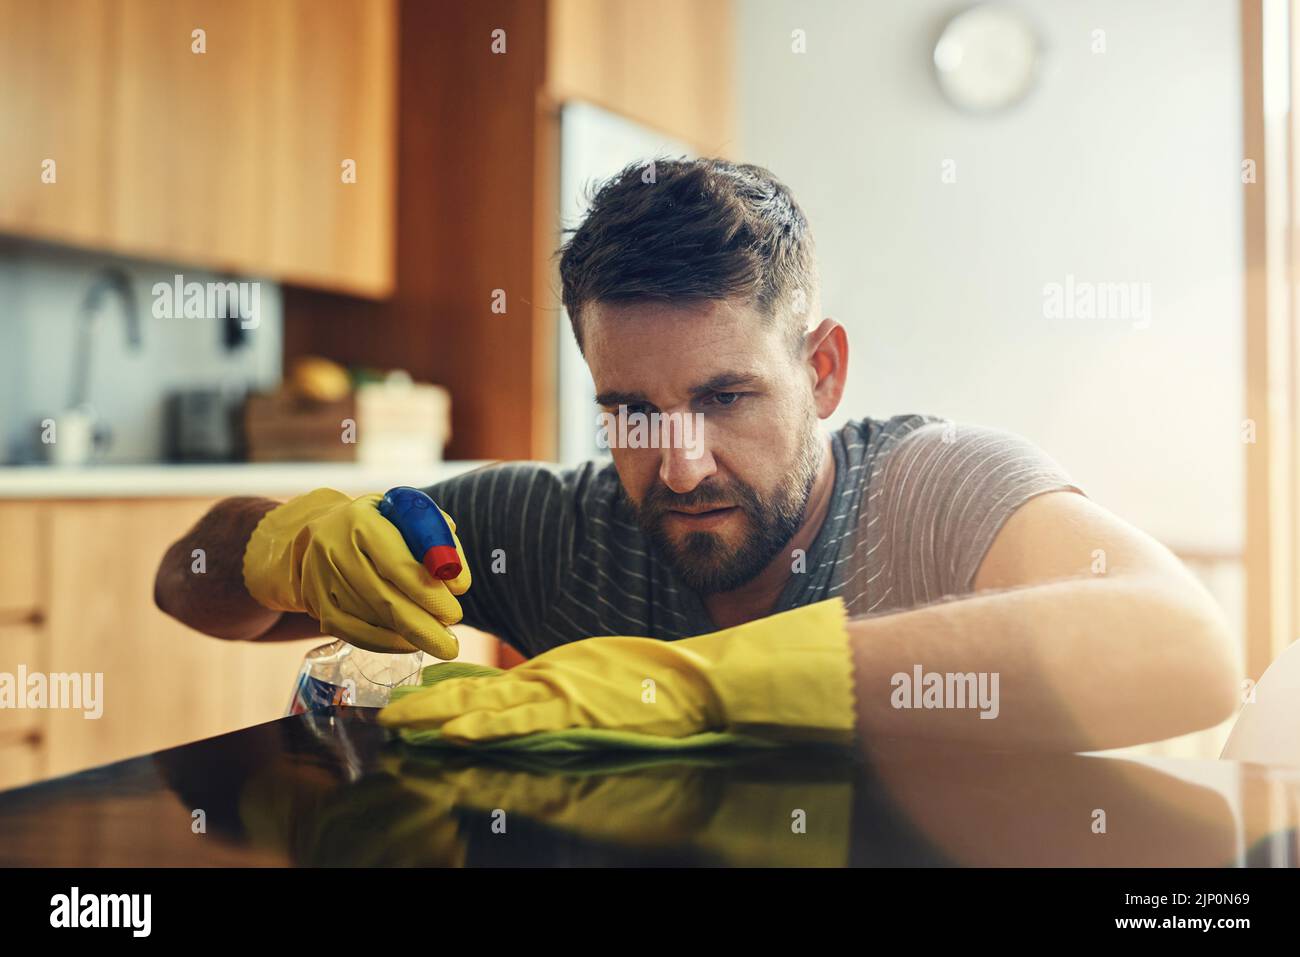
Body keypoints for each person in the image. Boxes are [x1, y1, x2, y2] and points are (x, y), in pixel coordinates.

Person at [155, 158, 1239, 751]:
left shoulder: (927, 486)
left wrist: (693, 688)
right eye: (629, 410)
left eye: (726, 398)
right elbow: (185, 586)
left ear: (820, 372)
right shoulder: (558, 533)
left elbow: (1187, 654)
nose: (677, 467)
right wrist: (280, 546)